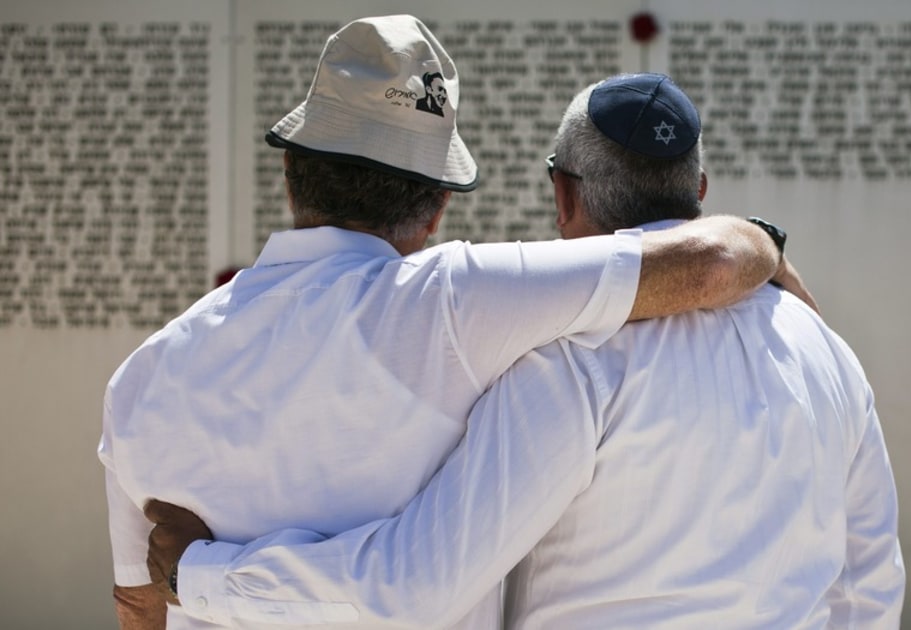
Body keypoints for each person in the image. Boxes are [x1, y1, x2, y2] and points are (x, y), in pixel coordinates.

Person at [100, 16, 800, 630]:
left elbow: (139, 604)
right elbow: (709, 263)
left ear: (290, 172)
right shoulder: (452, 304)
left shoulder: (141, 377)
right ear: (436, 208)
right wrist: (765, 242)